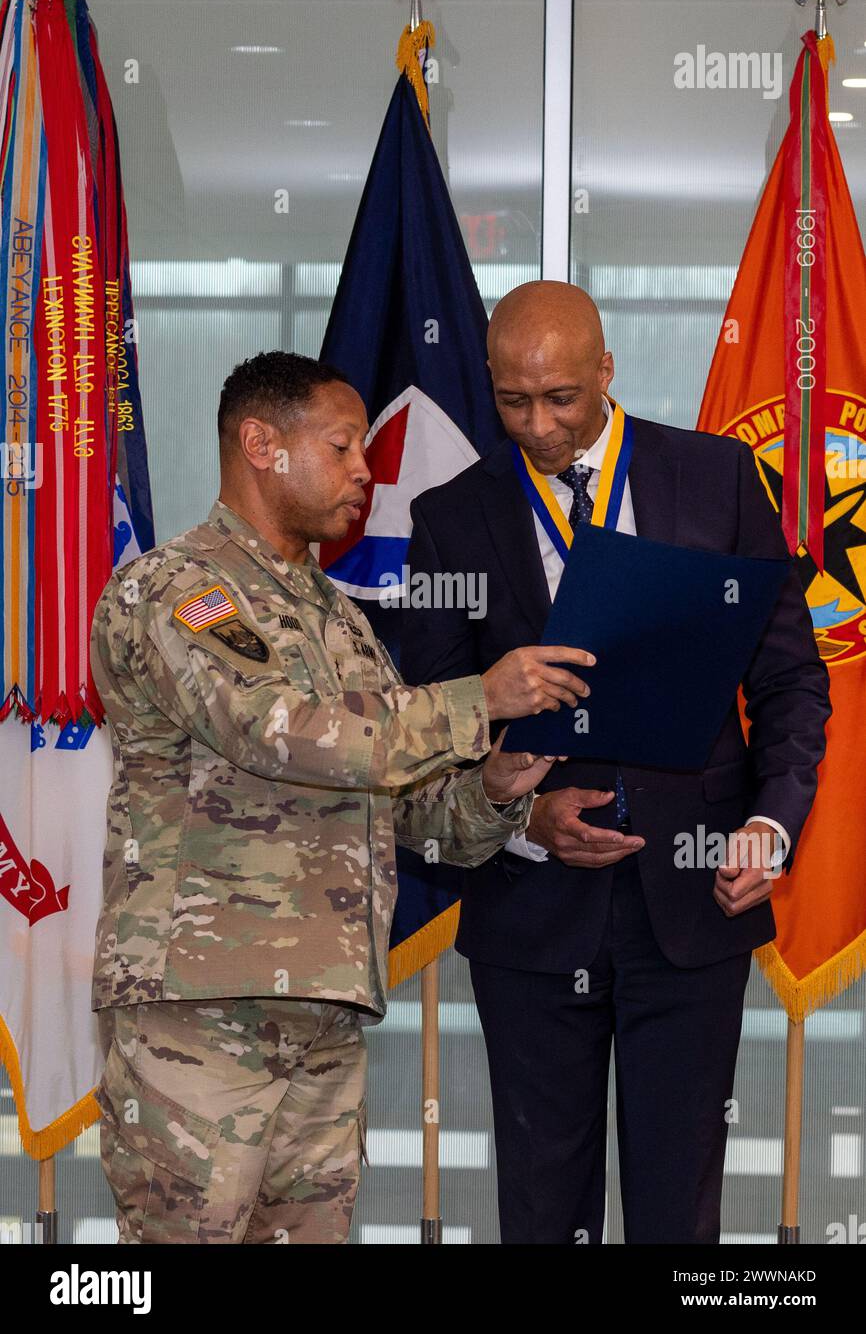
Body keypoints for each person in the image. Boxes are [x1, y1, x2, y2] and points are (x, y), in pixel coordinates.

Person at [90, 349, 593, 1245]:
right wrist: (481, 697)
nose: (366, 469)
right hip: (202, 1009)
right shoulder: (178, 588)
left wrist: (491, 788)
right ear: (261, 445)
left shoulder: (336, 617)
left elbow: (407, 810)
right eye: (343, 446)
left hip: (322, 1010)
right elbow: (275, 728)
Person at [401, 281, 831, 1245]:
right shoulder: (449, 519)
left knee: (681, 1209)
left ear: (606, 370)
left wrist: (770, 824)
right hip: (531, 920)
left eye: (560, 397)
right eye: (513, 401)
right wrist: (520, 815)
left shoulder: (718, 480)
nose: (540, 426)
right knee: (541, 1204)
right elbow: (430, 725)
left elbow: (792, 683)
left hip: (696, 902)